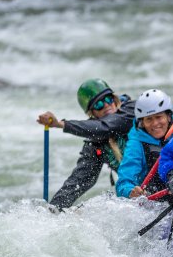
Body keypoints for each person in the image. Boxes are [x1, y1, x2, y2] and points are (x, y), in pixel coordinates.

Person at [36, 78, 134, 210]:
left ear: (114, 98)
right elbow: (78, 182)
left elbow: (108, 125)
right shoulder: (96, 143)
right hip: (136, 191)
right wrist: (51, 211)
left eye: (108, 99)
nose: (106, 105)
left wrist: (61, 124)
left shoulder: (133, 111)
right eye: (98, 104)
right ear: (91, 113)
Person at [115, 89, 173, 198]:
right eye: (149, 119)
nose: (155, 123)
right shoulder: (136, 143)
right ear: (142, 123)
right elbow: (124, 182)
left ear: (168, 116)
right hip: (156, 201)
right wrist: (129, 191)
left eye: (159, 117)